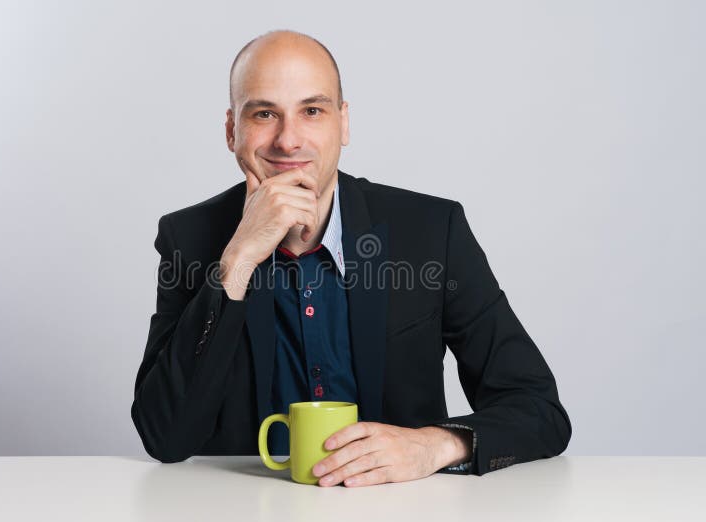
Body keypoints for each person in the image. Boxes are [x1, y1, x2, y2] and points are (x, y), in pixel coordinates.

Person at [130, 29, 572, 487]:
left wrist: (433, 445)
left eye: (312, 111)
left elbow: (538, 408)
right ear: (231, 131)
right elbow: (165, 436)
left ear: (343, 123)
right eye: (264, 113)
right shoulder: (188, 237)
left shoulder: (431, 230)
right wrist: (238, 258)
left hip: (401, 510)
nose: (288, 140)